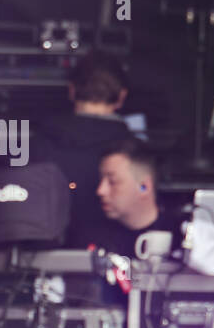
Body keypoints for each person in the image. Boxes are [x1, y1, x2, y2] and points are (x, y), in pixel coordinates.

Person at [31, 51, 135, 247]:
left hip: (43, 261)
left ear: (71, 91)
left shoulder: (36, 146)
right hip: (114, 257)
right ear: (121, 97)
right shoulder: (135, 153)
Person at [85, 138, 185, 260]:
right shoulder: (93, 239)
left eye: (112, 182)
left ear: (144, 187)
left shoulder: (181, 239)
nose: (100, 190)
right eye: (100, 181)